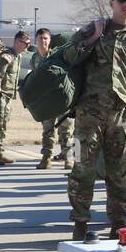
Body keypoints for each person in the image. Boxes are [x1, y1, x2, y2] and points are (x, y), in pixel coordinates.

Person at [66, 0, 126, 241]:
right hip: (87, 115)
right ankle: (80, 222)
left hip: (121, 116)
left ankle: (118, 223)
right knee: (81, 168)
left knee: (118, 173)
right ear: (111, 2)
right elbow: (71, 56)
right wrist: (93, 36)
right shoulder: (93, 29)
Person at [0, 31, 30, 165]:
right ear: (17, 42)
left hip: (7, 96)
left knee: (2, 125)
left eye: (28, 44)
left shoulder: (17, 56)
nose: (27, 47)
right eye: (25, 43)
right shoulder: (6, 57)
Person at [33, 28, 75, 170]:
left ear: (50, 40)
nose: (43, 41)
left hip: (61, 99)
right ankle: (46, 158)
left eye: (46, 38)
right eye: (40, 38)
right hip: (45, 101)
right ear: (36, 40)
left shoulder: (58, 55)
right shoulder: (35, 59)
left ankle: (68, 159)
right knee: (47, 131)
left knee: (66, 130)